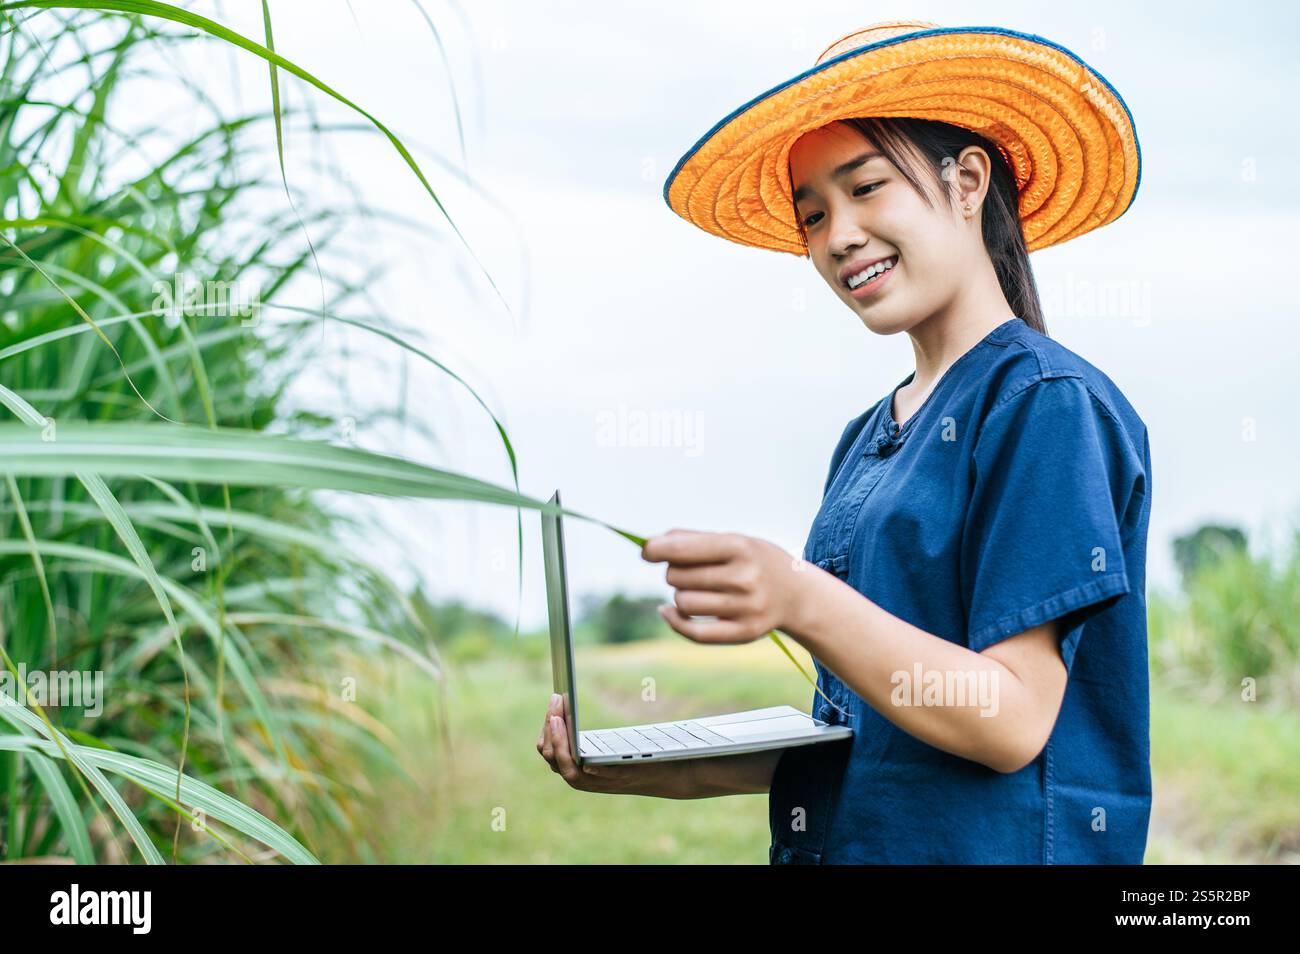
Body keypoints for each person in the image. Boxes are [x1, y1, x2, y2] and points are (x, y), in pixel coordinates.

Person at [538, 20, 1151, 864]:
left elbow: (1011, 721)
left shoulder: (1045, 405)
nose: (838, 237)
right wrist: (635, 766)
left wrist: (798, 598)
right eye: (814, 214)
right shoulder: (864, 440)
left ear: (968, 181)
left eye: (866, 188)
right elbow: (863, 736)